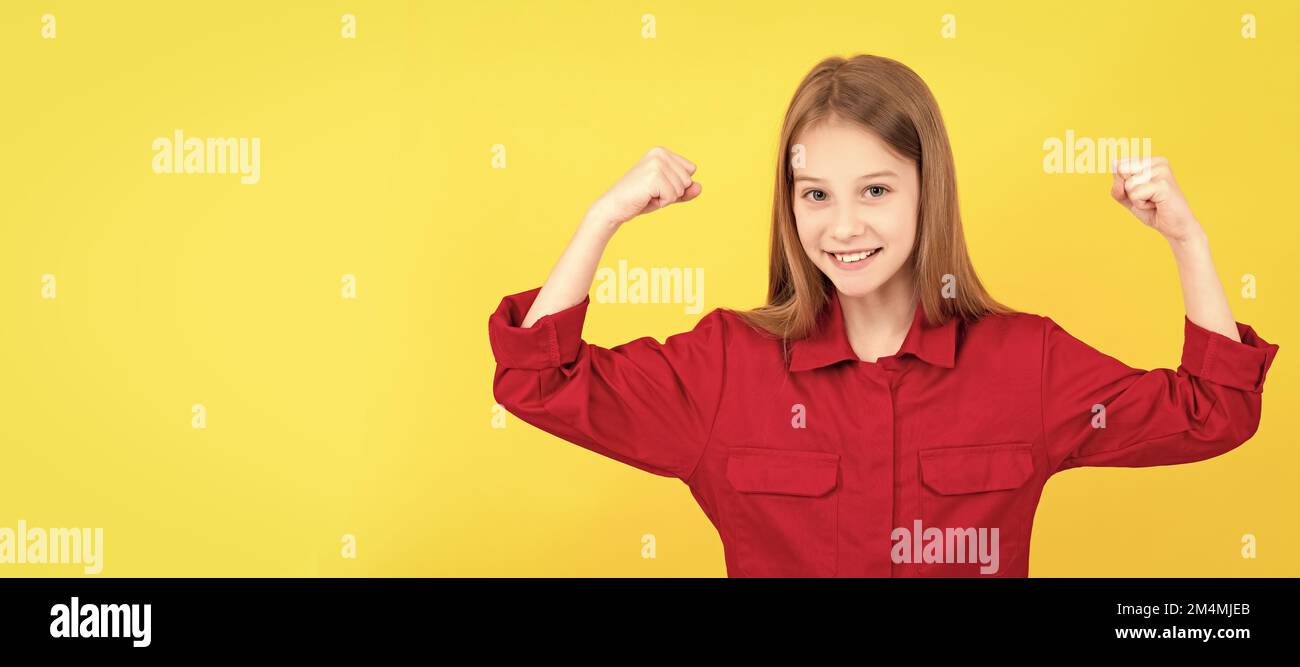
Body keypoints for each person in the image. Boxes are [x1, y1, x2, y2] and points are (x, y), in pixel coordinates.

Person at [487, 54, 1279, 577]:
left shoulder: (1024, 364)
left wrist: (1188, 240)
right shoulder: (725, 367)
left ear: (926, 191)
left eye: (875, 189)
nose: (843, 227)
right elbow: (537, 380)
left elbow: (1215, 413)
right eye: (816, 195)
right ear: (789, 204)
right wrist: (603, 218)